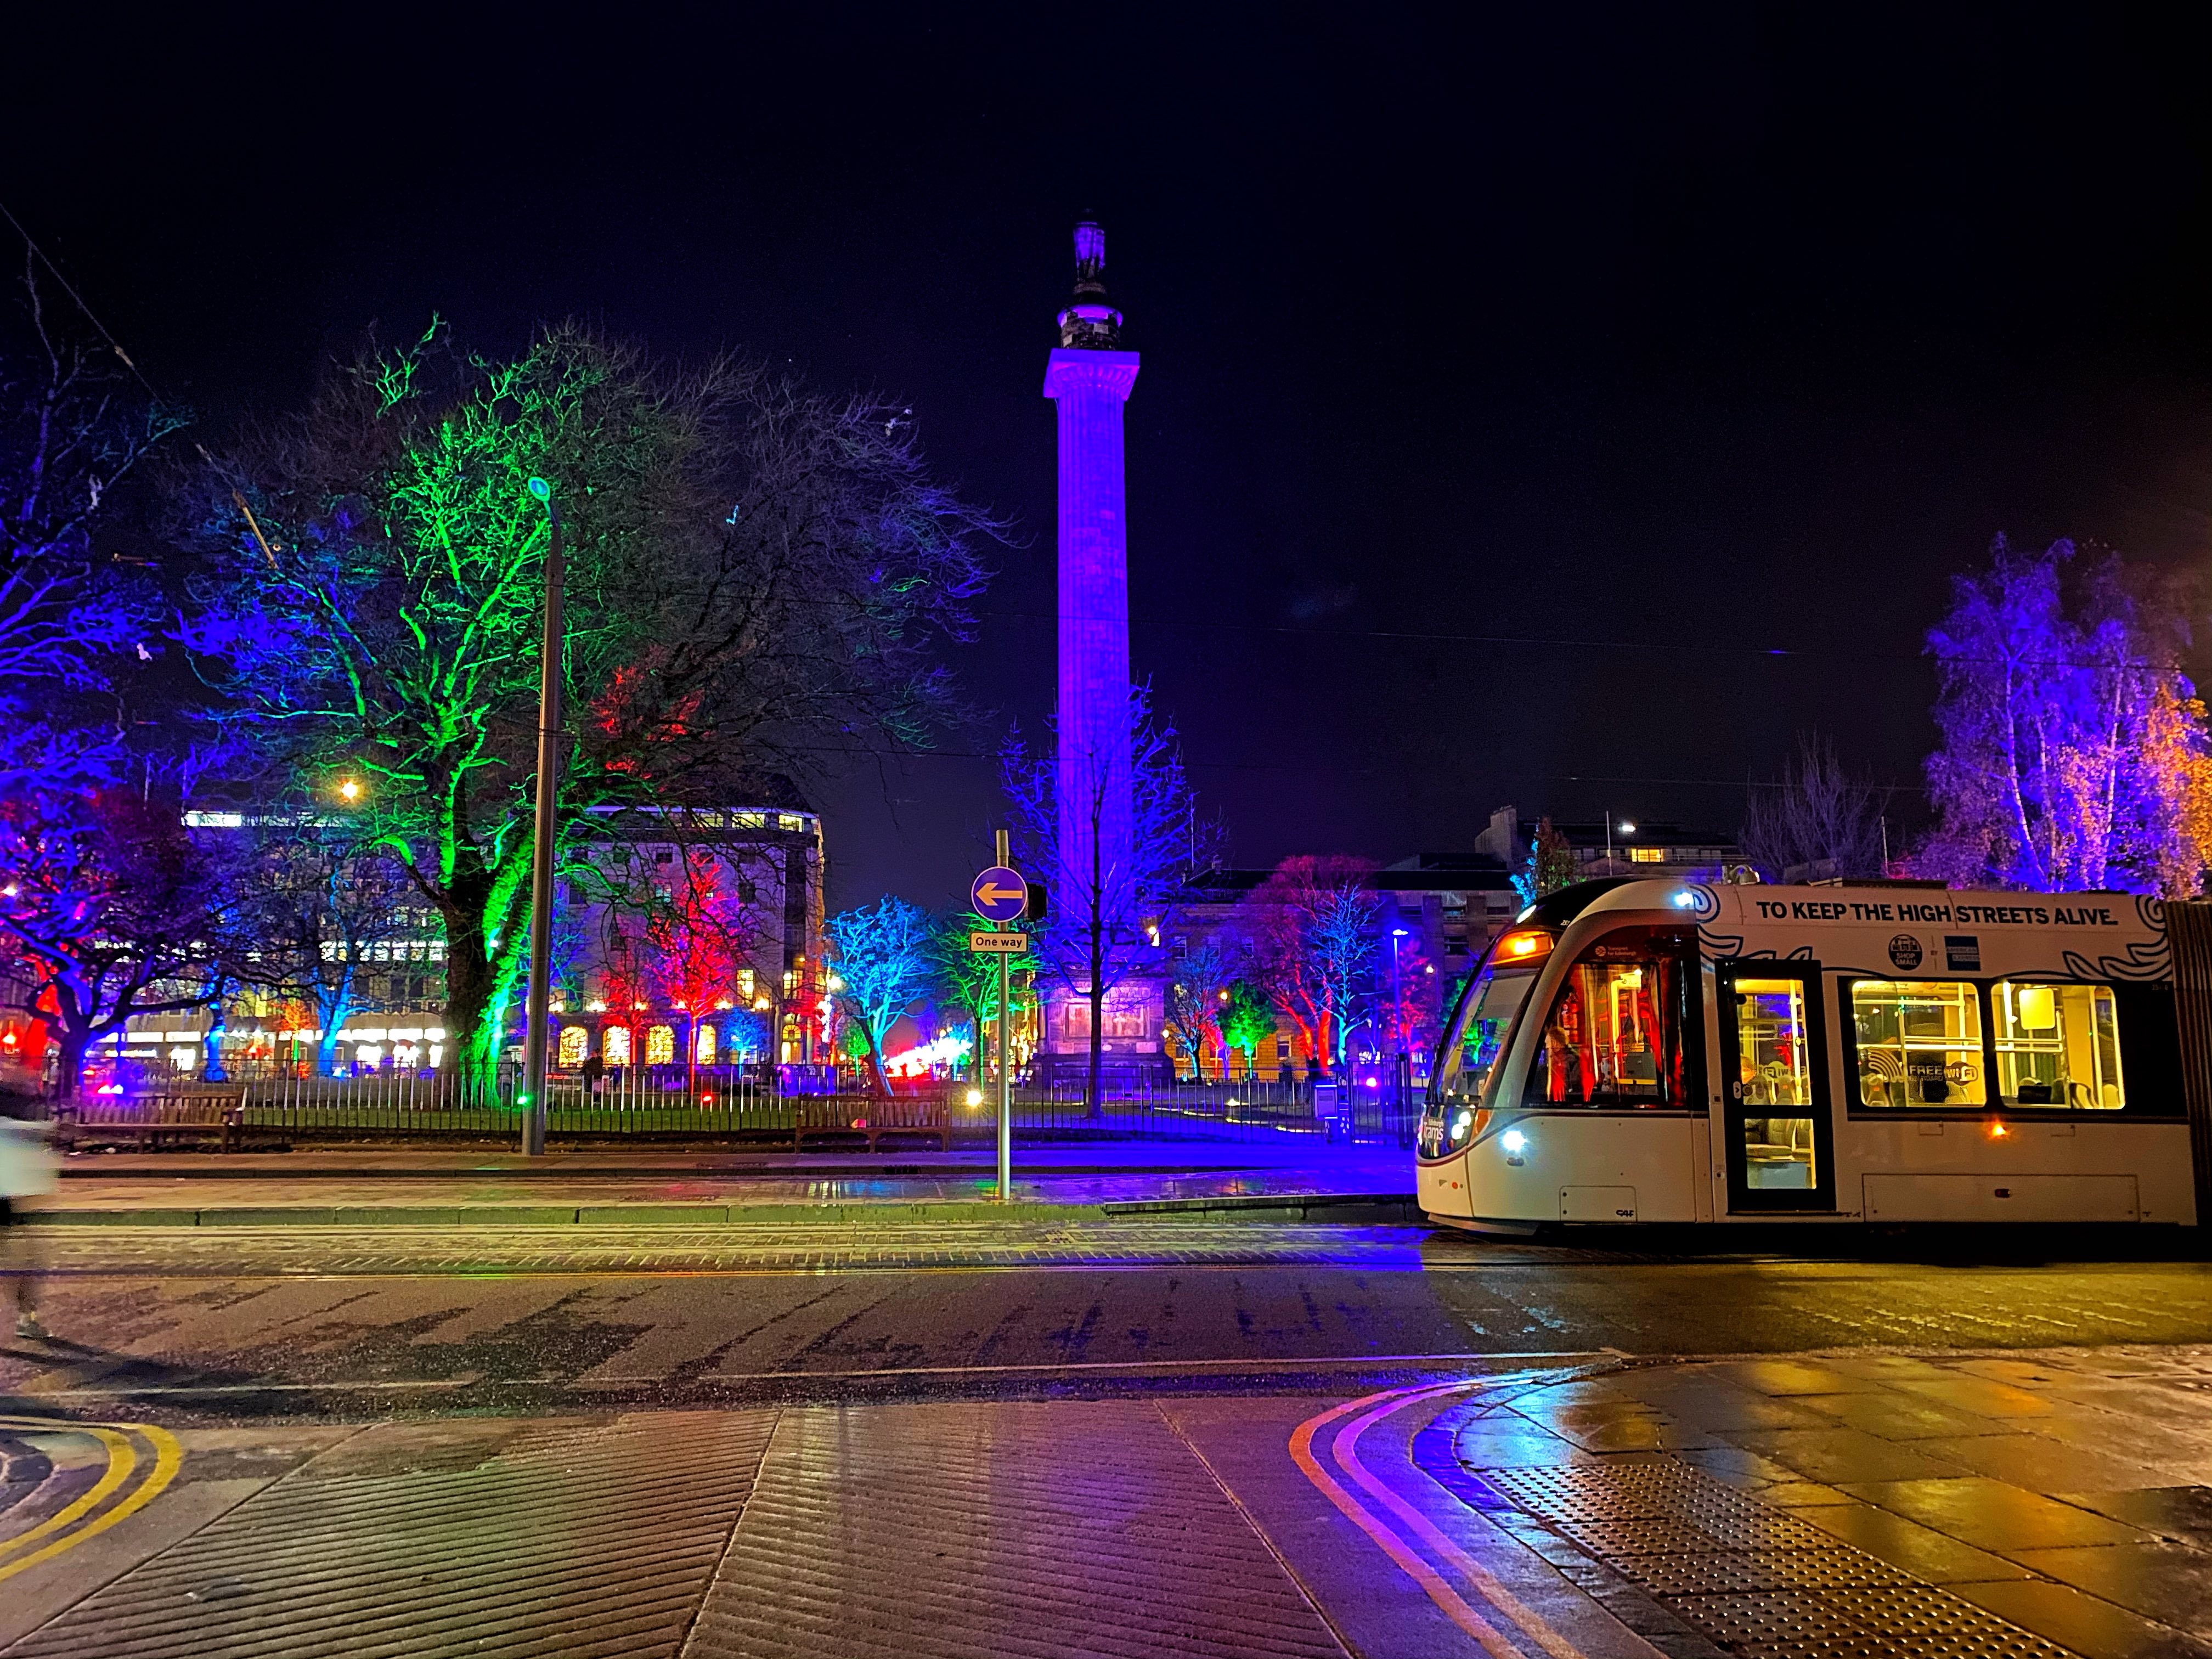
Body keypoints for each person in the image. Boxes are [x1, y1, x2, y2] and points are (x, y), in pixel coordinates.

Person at [0, 1086, 55, 1340]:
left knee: (28, 1263)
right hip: (10, 1202)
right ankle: (26, 1318)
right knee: (27, 1263)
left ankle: (27, 1317)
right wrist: (50, 1129)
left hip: (11, 1202)